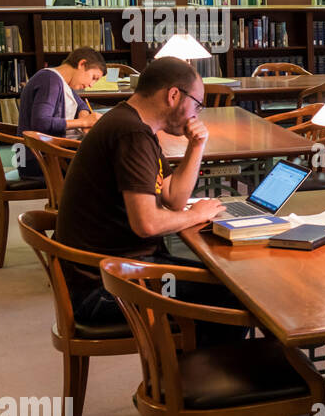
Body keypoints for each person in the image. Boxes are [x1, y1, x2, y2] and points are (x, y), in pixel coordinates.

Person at [54, 57, 233, 339]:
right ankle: (182, 381)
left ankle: (178, 377)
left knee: (224, 281)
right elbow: (147, 224)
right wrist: (197, 214)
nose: (196, 114)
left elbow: (173, 197)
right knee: (232, 297)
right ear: (174, 95)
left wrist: (197, 146)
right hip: (105, 289)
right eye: (197, 105)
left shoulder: (134, 124)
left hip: (115, 270)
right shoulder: (132, 134)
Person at [17, 47, 106, 177]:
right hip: (39, 161)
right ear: (82, 64)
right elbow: (40, 123)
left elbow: (82, 105)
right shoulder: (50, 81)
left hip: (48, 155)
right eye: (94, 77)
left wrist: (84, 119)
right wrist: (83, 121)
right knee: (110, 163)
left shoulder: (60, 81)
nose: (91, 84)